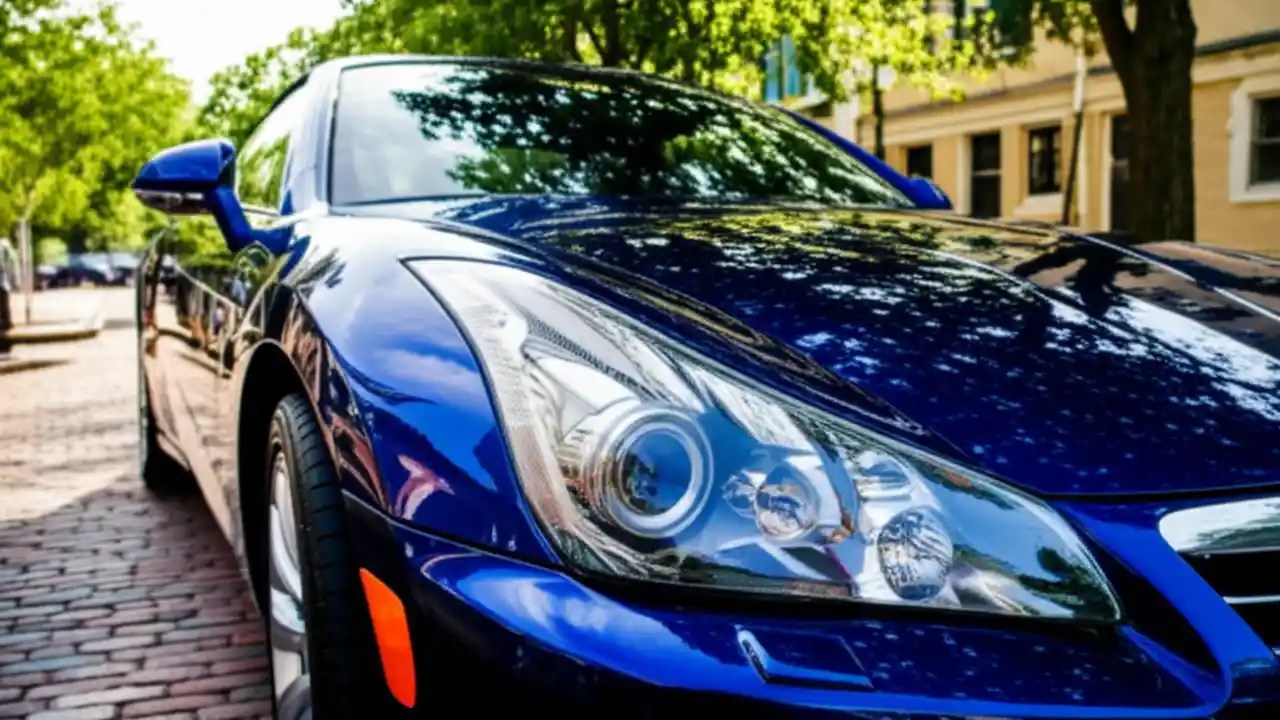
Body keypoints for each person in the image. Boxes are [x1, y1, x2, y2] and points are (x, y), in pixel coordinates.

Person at [0, 237, 17, 357]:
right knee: (4, 317)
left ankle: (5, 347)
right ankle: (5, 347)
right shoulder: (4, 245)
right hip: (3, 286)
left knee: (3, 317)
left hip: (2, 286)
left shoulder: (4, 245)